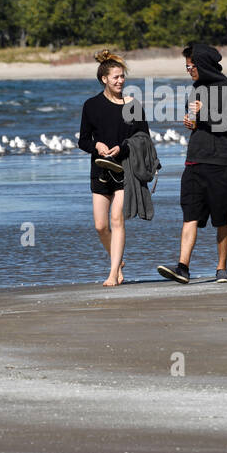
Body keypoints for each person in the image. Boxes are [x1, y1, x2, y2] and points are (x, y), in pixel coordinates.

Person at [157, 43, 227, 284]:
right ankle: (183, 267)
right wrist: (191, 122)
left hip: (222, 161)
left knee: (221, 217)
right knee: (189, 214)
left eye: (190, 65)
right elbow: (199, 122)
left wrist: (204, 113)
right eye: (186, 66)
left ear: (203, 63)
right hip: (195, 159)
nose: (188, 70)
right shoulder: (195, 89)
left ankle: (222, 269)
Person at [78, 50, 150, 286]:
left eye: (122, 77)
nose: (120, 81)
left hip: (125, 170)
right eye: (115, 77)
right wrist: (96, 145)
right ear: (104, 79)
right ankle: (117, 261)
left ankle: (113, 274)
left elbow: (144, 138)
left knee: (117, 219)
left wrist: (122, 148)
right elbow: (83, 141)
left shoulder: (133, 105)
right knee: (100, 226)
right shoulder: (91, 105)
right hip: (100, 169)